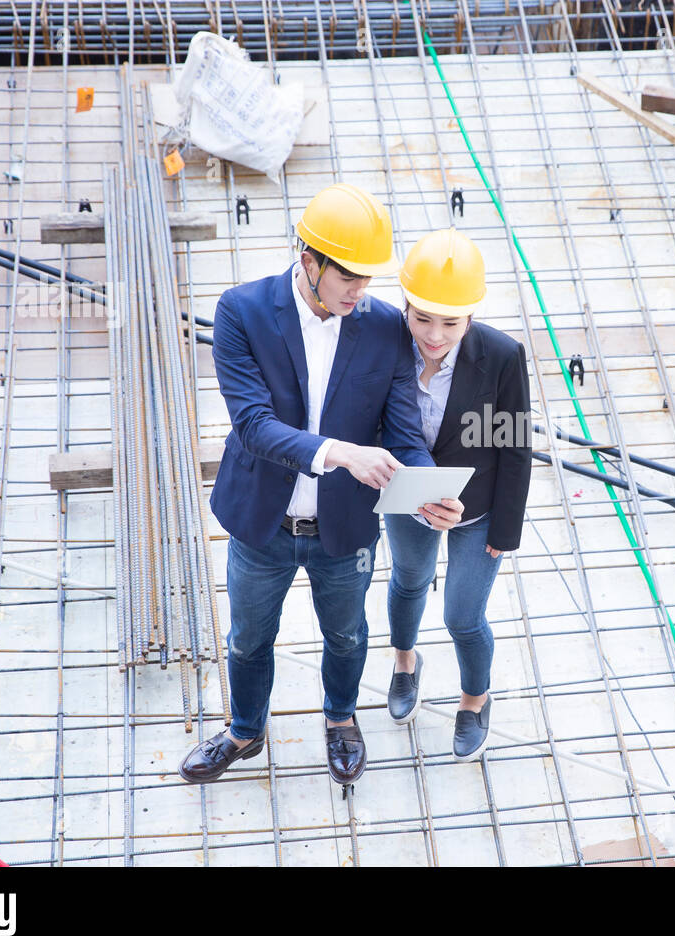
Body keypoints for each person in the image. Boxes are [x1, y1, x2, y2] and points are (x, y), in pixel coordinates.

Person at [178, 184, 464, 789]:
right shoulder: (241, 313)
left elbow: (404, 430)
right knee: (250, 637)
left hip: (344, 525)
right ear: (309, 261)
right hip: (264, 522)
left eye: (367, 278)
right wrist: (343, 454)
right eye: (348, 278)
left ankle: (339, 720)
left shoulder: (384, 327)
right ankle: (245, 731)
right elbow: (253, 426)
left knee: (346, 633)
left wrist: (425, 488)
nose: (361, 291)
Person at [383, 228, 532, 761]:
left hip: (477, 510)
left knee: (463, 615)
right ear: (405, 305)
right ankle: (405, 663)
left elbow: (515, 446)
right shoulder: (385, 343)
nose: (434, 334)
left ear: (471, 315)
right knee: (408, 583)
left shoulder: (501, 357)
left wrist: (504, 531)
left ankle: (474, 698)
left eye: (450, 322)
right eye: (422, 317)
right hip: (408, 498)